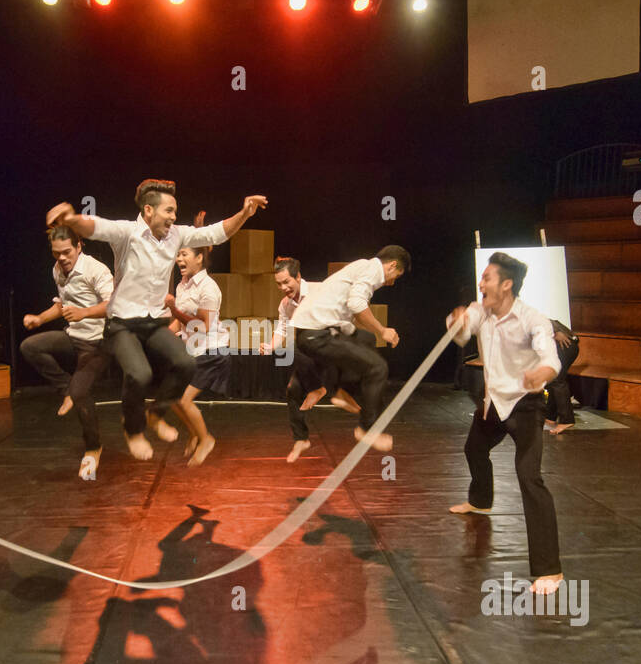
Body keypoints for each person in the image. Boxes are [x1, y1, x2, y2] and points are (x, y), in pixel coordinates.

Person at [46, 180, 268, 465]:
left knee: (186, 363)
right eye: (169, 211)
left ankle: (156, 413)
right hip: (122, 324)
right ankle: (134, 430)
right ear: (148, 210)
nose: (174, 217)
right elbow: (96, 226)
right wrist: (72, 218)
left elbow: (217, 233)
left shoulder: (177, 235)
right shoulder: (127, 233)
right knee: (139, 374)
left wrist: (245, 213)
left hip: (153, 323)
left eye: (176, 211)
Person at [446, 252, 564, 596]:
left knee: (530, 477)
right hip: (493, 401)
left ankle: (549, 570)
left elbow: (550, 358)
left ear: (507, 284)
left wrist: (542, 373)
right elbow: (460, 333)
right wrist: (456, 321)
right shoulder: (481, 310)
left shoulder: (532, 319)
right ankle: (481, 501)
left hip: (525, 405)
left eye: (487, 279)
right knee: (474, 448)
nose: (481, 284)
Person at [289, 246, 408, 453]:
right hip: (316, 334)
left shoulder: (360, 268)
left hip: (312, 332)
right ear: (393, 265)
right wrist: (382, 330)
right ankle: (367, 428)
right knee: (378, 368)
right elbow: (356, 304)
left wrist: (367, 334)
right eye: (397, 275)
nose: (393, 282)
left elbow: (349, 316)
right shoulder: (372, 269)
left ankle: (343, 391)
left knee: (365, 339)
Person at [21, 223, 114, 478]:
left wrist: (84, 312)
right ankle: (66, 390)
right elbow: (62, 304)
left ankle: (93, 447)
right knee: (30, 347)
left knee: (82, 392)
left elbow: (113, 305)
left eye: (66, 252)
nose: (62, 258)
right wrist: (39, 319)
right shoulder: (57, 270)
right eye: (56, 253)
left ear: (78, 247)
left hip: (97, 343)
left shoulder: (96, 270)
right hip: (73, 337)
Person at [261, 257, 360, 462]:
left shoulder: (319, 290)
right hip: (312, 353)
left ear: (298, 277)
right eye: (279, 284)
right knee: (293, 390)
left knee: (301, 344)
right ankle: (301, 439)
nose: (283, 287)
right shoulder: (286, 304)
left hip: (333, 341)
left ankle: (324, 389)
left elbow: (348, 306)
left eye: (287, 282)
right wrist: (271, 345)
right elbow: (283, 328)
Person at [165, 244, 228, 461]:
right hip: (193, 348)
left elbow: (202, 327)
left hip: (211, 349)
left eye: (184, 254)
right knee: (171, 397)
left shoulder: (208, 288)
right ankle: (194, 435)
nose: (178, 259)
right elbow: (180, 324)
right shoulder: (183, 285)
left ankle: (206, 439)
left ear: (199, 258)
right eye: (178, 254)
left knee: (184, 400)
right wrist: (162, 336)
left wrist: (174, 310)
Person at [543, 319, 580, 435]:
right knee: (551, 379)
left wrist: (555, 332)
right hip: (560, 345)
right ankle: (550, 415)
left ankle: (567, 419)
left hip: (565, 343)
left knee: (557, 379)